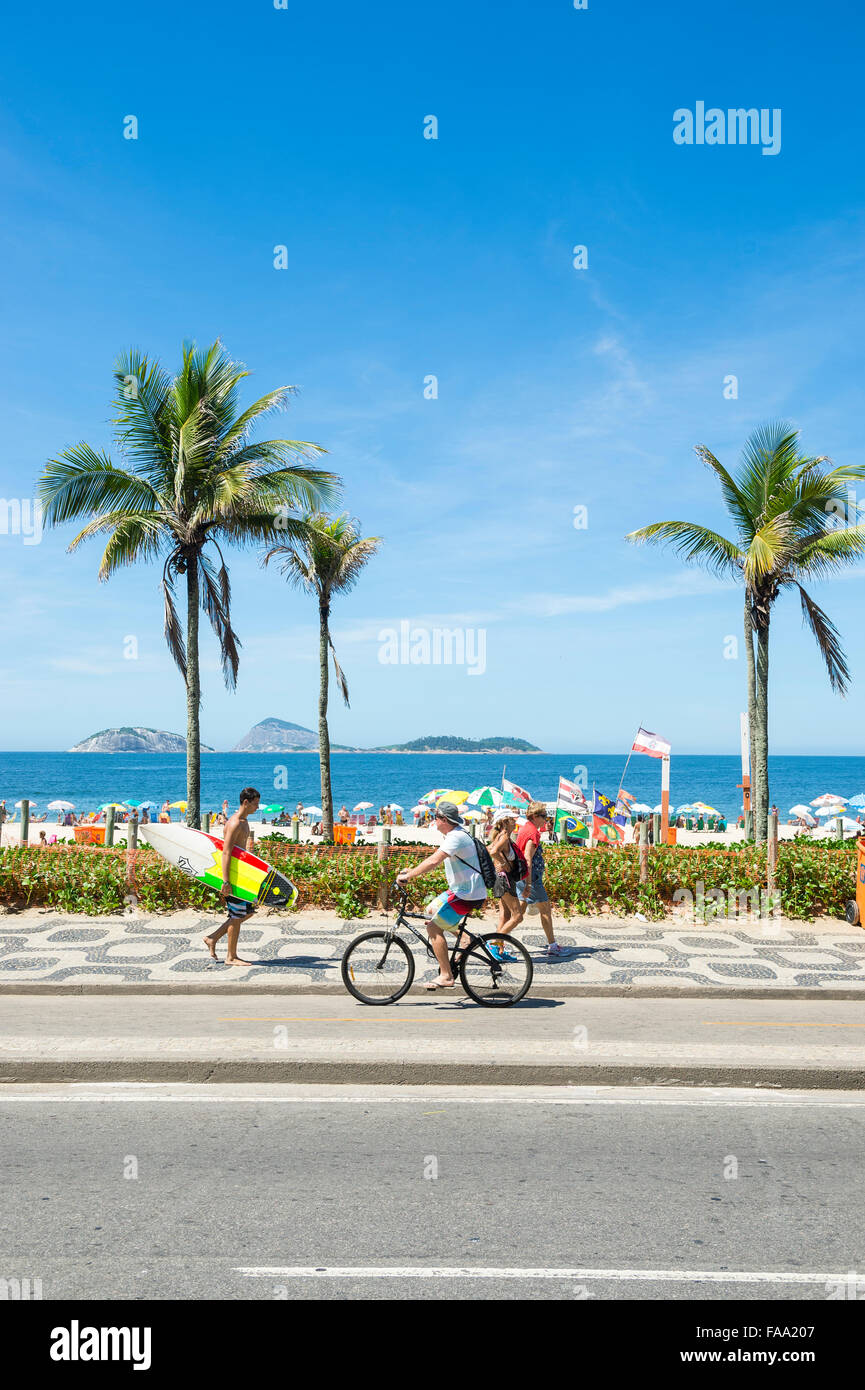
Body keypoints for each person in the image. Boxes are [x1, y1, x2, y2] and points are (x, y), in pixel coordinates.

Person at [395, 800, 487, 989]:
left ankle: (446, 975)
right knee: (430, 910)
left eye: (435, 817)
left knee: (434, 929)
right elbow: (433, 860)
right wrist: (411, 870)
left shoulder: (455, 837)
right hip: (461, 890)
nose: (433, 820)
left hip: (467, 894)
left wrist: (409, 875)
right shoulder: (456, 834)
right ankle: (464, 939)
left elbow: (434, 860)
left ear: (443, 819)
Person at [203, 787, 261, 967]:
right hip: (232, 876)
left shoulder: (244, 821)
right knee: (237, 916)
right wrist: (226, 881)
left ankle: (213, 938)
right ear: (246, 802)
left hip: (242, 875)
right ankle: (231, 957)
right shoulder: (235, 823)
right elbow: (226, 852)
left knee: (248, 912)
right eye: (255, 804)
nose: (257, 808)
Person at [510, 801, 568, 958]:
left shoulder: (525, 829)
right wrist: (529, 883)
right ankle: (553, 945)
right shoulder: (532, 832)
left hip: (524, 876)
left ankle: (497, 941)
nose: (546, 819)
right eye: (543, 816)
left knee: (518, 915)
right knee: (545, 910)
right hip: (531, 877)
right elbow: (528, 858)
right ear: (534, 816)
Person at [487, 810, 523, 938]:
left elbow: (489, 849)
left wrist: (498, 860)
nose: (515, 822)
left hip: (501, 879)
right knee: (518, 917)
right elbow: (493, 851)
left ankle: (499, 950)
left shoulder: (499, 836)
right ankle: (494, 943)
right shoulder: (504, 836)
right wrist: (503, 863)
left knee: (506, 916)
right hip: (504, 880)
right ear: (505, 822)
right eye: (512, 820)